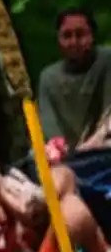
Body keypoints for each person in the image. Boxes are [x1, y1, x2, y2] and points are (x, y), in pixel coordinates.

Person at [38, 8, 111, 156]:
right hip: (71, 156)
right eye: (67, 36)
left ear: (92, 35)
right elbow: (51, 131)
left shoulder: (107, 61)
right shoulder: (49, 78)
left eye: (80, 34)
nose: (74, 42)